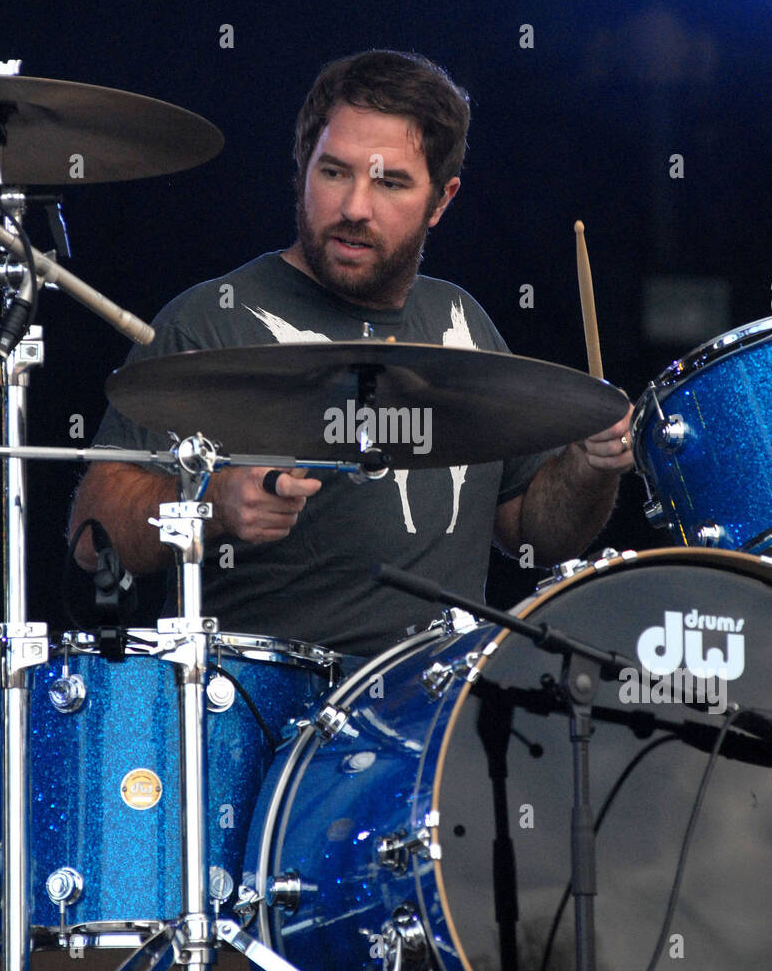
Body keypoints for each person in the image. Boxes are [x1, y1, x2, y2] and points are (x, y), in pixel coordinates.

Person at [70, 50, 633, 658]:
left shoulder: (460, 323)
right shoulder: (212, 320)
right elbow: (89, 533)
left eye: (389, 182)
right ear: (301, 167)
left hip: (433, 718)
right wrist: (210, 507)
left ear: (441, 202)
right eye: (334, 172)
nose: (355, 208)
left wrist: (588, 466)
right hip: (266, 722)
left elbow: (530, 531)